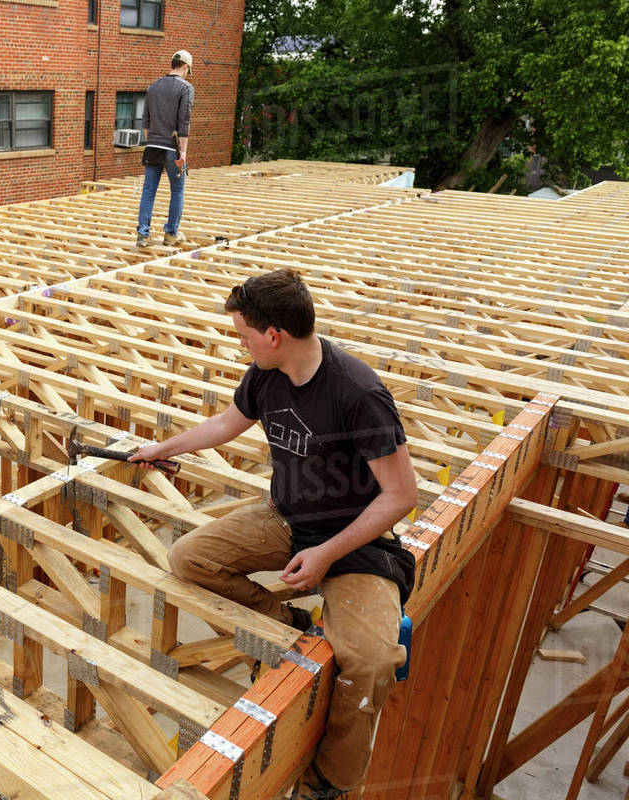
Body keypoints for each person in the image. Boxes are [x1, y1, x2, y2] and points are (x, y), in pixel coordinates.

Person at [130, 269, 418, 799]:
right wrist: (161, 449)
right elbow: (225, 424)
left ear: (274, 335)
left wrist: (327, 554)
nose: (240, 344)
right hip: (285, 517)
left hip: (353, 543)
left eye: (243, 335)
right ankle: (292, 621)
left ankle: (327, 781)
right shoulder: (265, 375)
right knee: (189, 559)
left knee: (371, 664)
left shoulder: (358, 394)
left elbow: (401, 496)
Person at [136, 49, 195, 249]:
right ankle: (171, 234)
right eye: (188, 70)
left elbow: (145, 121)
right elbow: (184, 122)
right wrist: (183, 152)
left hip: (152, 147)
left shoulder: (153, 87)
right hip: (172, 148)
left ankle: (143, 235)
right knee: (177, 191)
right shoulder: (185, 88)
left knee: (148, 191)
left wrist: (151, 142)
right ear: (185, 67)